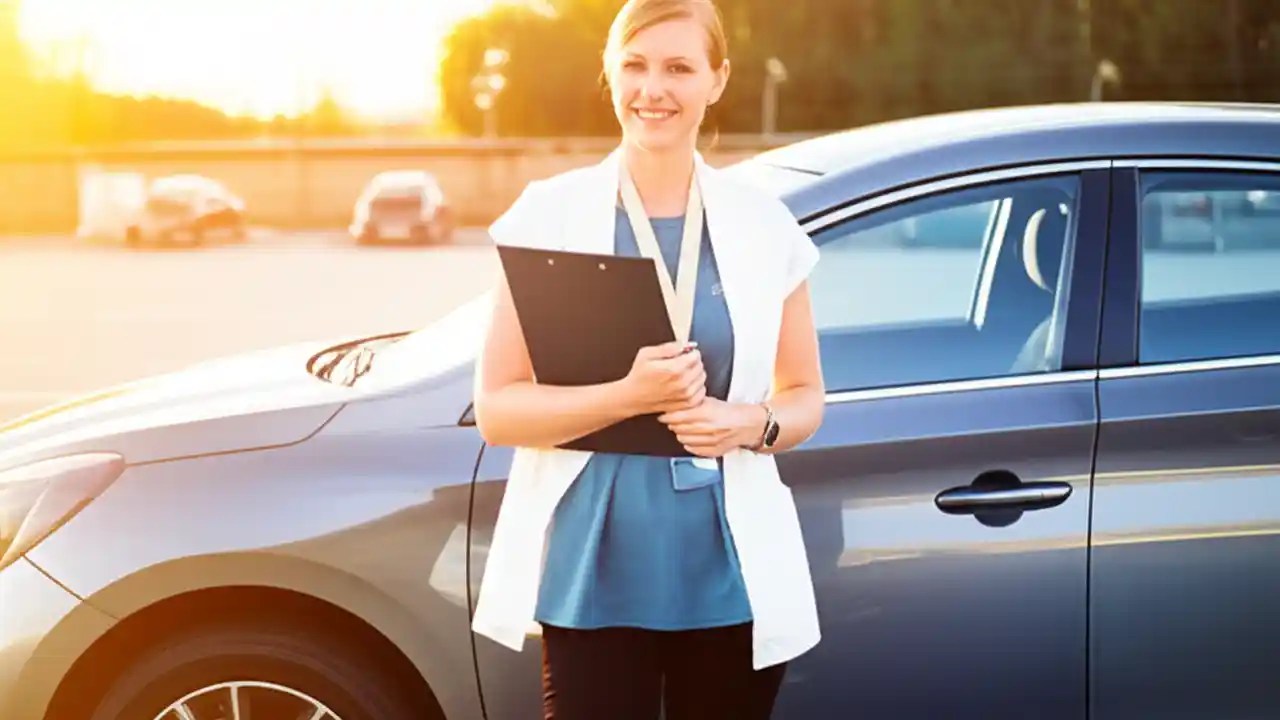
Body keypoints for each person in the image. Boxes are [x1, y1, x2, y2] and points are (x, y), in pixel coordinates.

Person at [470, 0, 825, 717]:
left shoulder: (764, 226)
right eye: (634, 65)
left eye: (678, 68)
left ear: (717, 80)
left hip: (732, 577)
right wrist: (626, 396)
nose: (652, 89)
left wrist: (749, 424)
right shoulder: (548, 215)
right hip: (593, 577)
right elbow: (498, 410)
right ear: (610, 73)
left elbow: (806, 396)